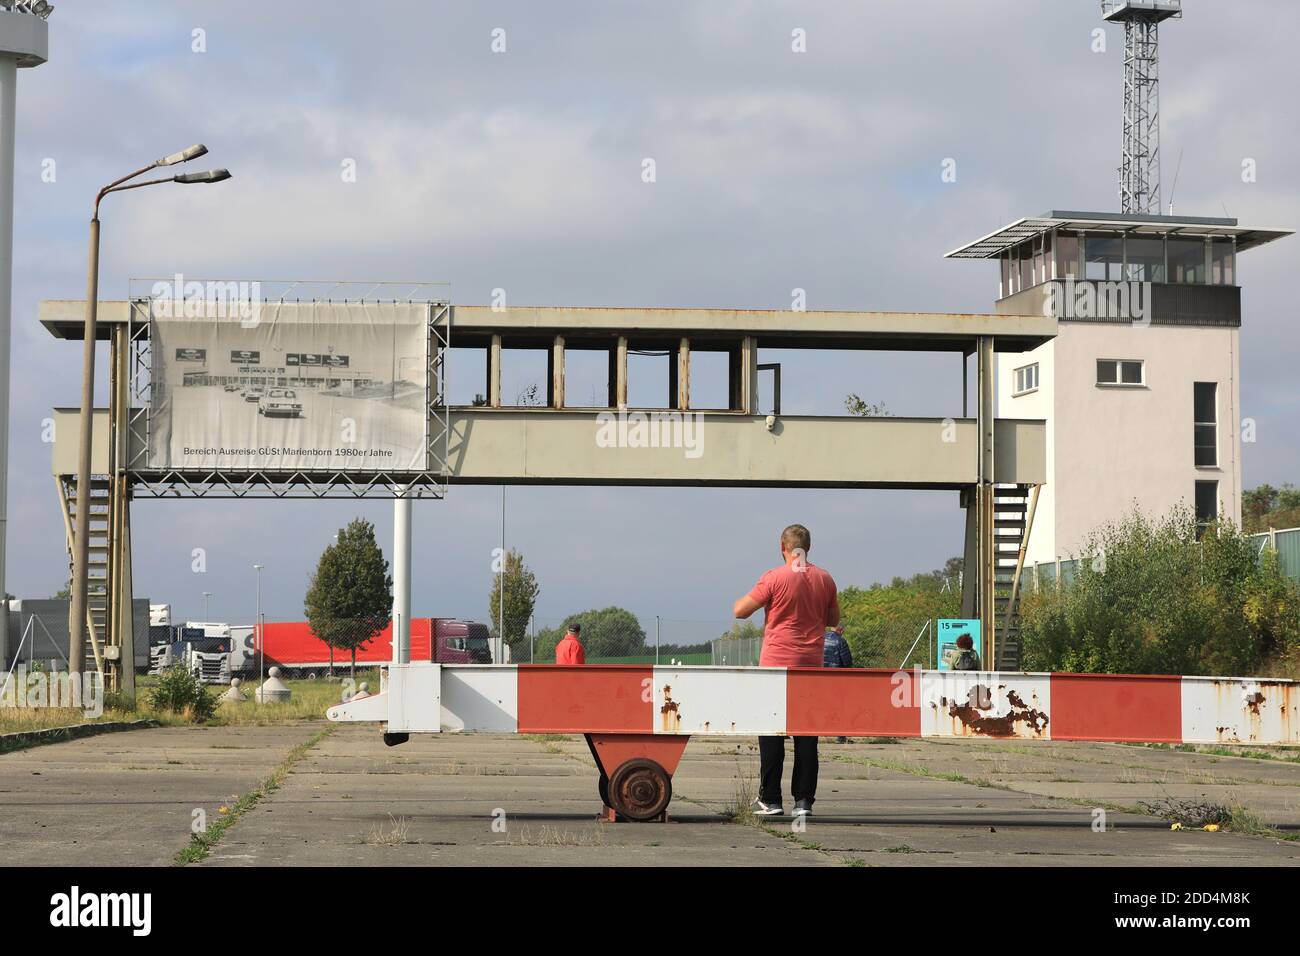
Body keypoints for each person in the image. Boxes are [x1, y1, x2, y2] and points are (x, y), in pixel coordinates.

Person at [732, 524, 839, 817]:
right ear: (808, 547)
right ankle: (803, 801)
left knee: (771, 731)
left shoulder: (774, 578)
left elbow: (740, 611)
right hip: (810, 667)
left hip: (776, 667)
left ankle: (771, 799)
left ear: (782, 546)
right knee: (806, 735)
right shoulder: (825, 579)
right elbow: (833, 618)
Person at [822, 626, 853, 743]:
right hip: (837, 679)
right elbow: (847, 662)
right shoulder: (840, 641)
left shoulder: (820, 638)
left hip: (820, 678)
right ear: (841, 629)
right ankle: (840, 736)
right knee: (840, 706)